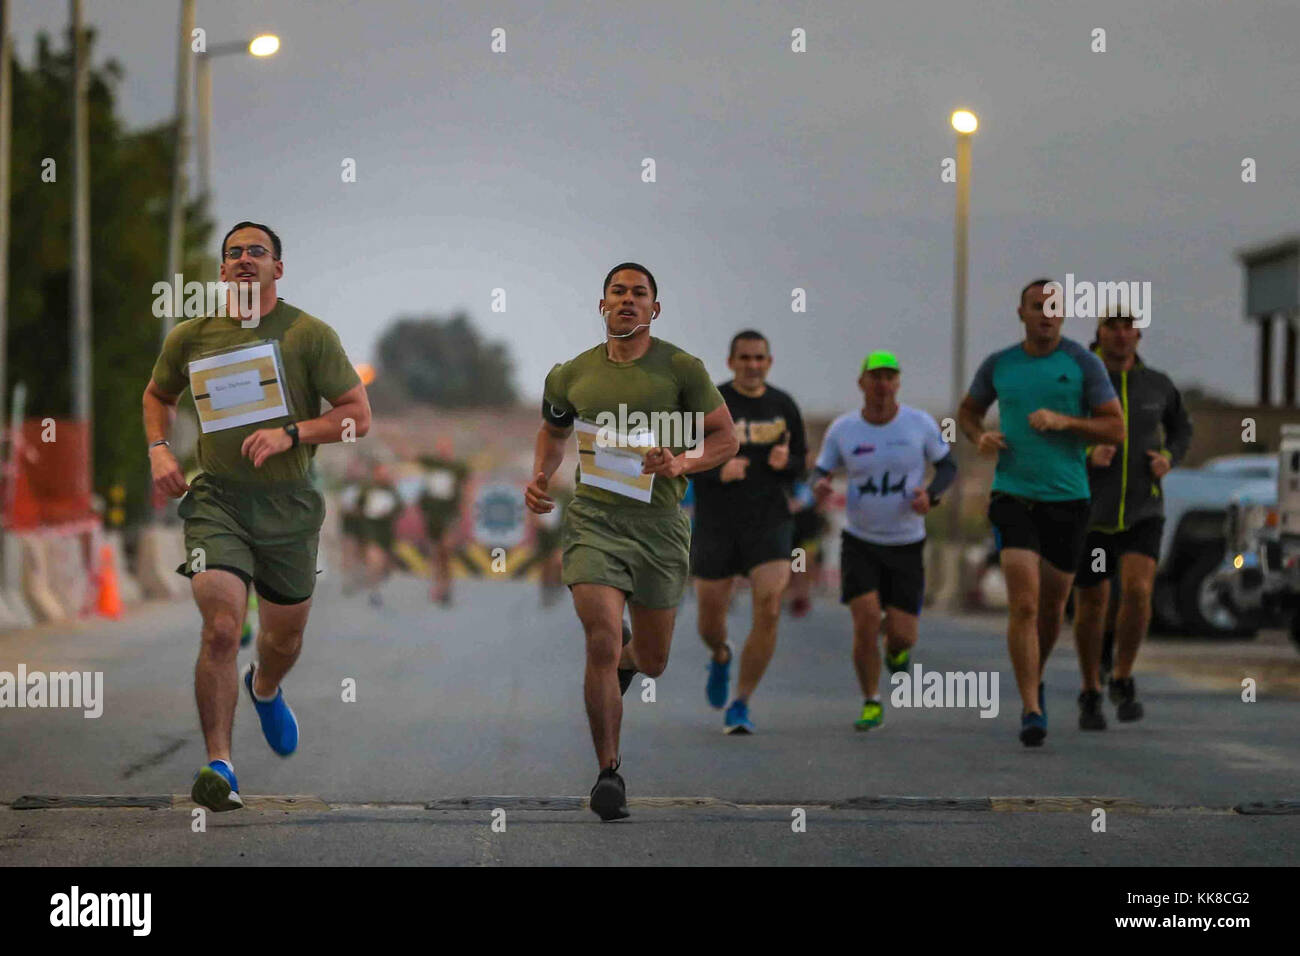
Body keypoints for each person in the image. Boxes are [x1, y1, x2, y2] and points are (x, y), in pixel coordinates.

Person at [143, 220, 370, 811]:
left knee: (283, 637)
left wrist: (292, 432)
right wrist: (159, 448)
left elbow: (356, 417)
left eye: (258, 252)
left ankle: (265, 686)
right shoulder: (192, 336)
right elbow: (156, 395)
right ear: (222, 270)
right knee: (221, 627)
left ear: (278, 267)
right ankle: (220, 764)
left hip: (290, 505)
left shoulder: (308, 334)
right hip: (216, 500)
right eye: (234, 253)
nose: (245, 259)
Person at [524, 262, 738, 820]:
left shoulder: (681, 369)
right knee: (598, 637)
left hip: (660, 528)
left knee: (653, 659)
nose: (627, 300)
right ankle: (609, 774)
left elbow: (726, 437)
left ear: (654, 309)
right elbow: (553, 430)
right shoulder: (570, 375)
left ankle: (627, 661)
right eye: (617, 292)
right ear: (602, 305)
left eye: (638, 294)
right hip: (594, 521)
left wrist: (682, 461)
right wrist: (542, 474)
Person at [958, 278, 1123, 747]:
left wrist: (1065, 422)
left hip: (1068, 499)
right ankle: (1031, 706)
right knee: (1025, 603)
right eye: (1037, 307)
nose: (1046, 315)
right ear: (1022, 312)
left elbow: (1117, 429)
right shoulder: (1000, 364)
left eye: (1054, 307)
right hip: (1013, 494)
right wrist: (979, 436)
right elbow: (968, 412)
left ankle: (1038, 677)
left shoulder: (1082, 363)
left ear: (1063, 314)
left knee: (1052, 608)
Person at [812, 351, 955, 730]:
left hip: (906, 542)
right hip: (860, 541)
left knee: (903, 635)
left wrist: (932, 495)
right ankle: (871, 700)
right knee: (865, 619)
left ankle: (895, 650)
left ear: (898, 383)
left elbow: (948, 465)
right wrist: (821, 486)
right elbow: (821, 470)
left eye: (889, 377)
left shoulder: (918, 424)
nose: (882, 384)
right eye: (875, 377)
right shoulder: (844, 429)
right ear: (862, 383)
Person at [1072, 312, 1192, 728]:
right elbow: (1054, 435)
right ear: (1099, 334)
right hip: (1095, 516)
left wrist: (1170, 458)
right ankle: (1090, 688)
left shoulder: (1157, 385)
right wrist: (1087, 455)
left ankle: (1122, 676)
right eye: (1112, 327)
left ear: (1138, 334)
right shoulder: (1081, 384)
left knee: (1139, 591)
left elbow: (1182, 430)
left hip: (1144, 509)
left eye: (1128, 327)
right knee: (1094, 602)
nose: (1121, 335)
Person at [690, 330, 808, 733]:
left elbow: (801, 464)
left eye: (759, 358)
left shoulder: (784, 405)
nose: (752, 364)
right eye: (744, 358)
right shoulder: (710, 404)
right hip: (716, 524)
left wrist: (786, 463)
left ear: (769, 362)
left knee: (770, 605)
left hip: (769, 521)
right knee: (709, 619)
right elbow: (683, 461)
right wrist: (717, 471)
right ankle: (721, 654)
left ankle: (741, 703)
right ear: (731, 362)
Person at [417, 440, 470, 606]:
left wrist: (464, 507)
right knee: (436, 552)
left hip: (449, 514)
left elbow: (467, 486)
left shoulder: (457, 468)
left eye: (446, 448)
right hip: (432, 515)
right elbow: (411, 457)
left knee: (446, 549)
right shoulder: (431, 464)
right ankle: (438, 585)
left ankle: (446, 586)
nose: (443, 451)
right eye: (441, 448)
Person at [357, 462, 403, 607]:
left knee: (384, 563)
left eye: (385, 473)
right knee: (374, 559)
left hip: (386, 531)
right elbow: (359, 505)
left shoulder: (391, 489)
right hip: (371, 529)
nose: (383, 476)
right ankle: (374, 591)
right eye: (380, 473)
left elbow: (399, 507)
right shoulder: (367, 489)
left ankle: (380, 577)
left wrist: (388, 512)